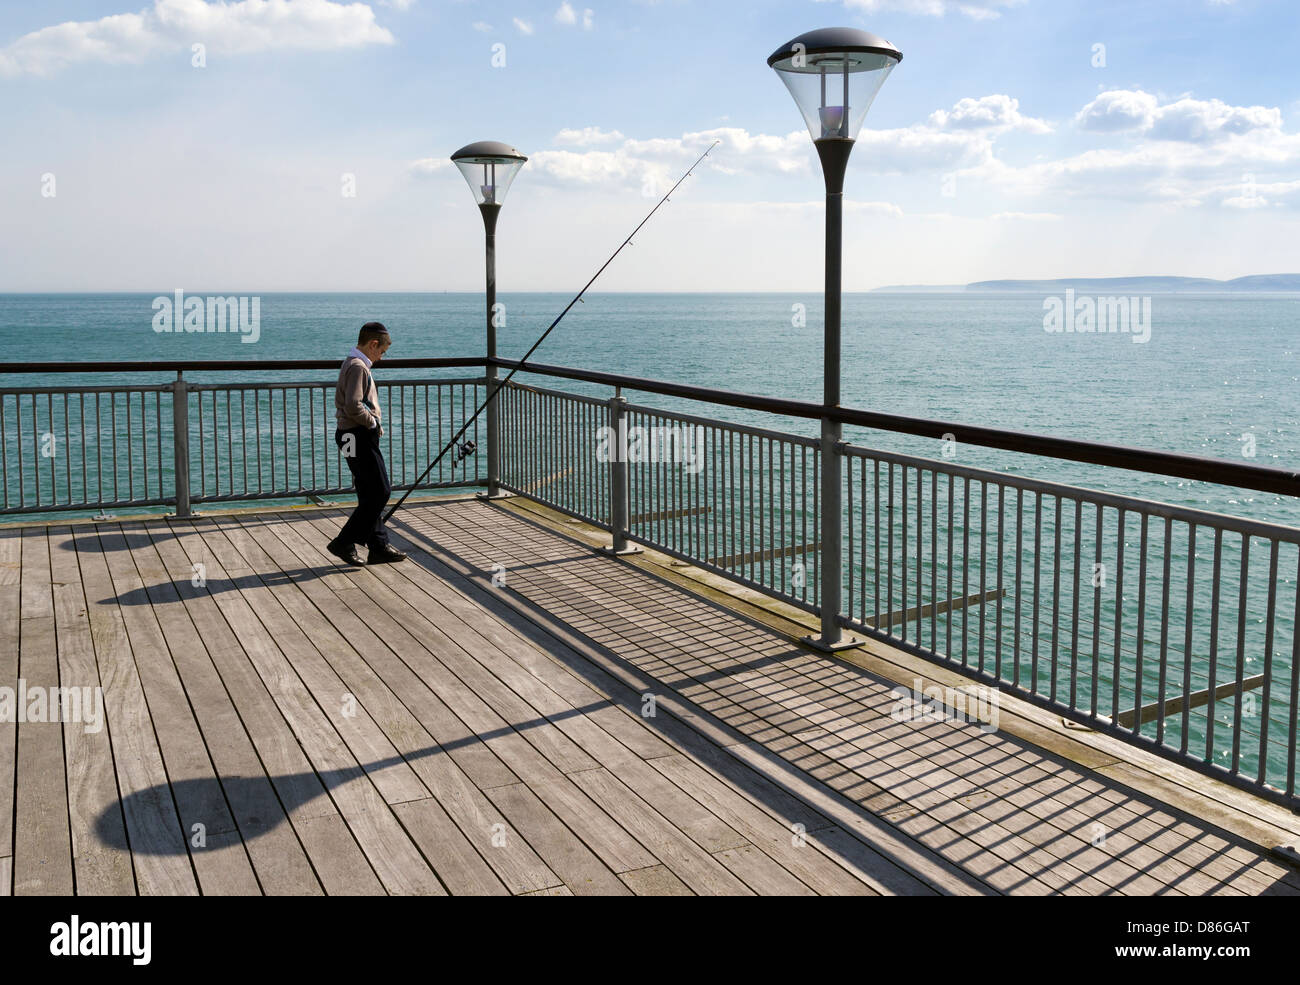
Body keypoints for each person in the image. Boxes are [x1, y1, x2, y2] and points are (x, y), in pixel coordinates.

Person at [327, 322, 408, 566]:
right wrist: (372, 422)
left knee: (367, 491)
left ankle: (378, 545)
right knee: (381, 490)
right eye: (381, 351)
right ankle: (344, 541)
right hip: (358, 435)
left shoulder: (350, 362)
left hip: (347, 435)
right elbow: (353, 405)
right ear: (373, 344)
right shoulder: (359, 367)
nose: (381, 357)